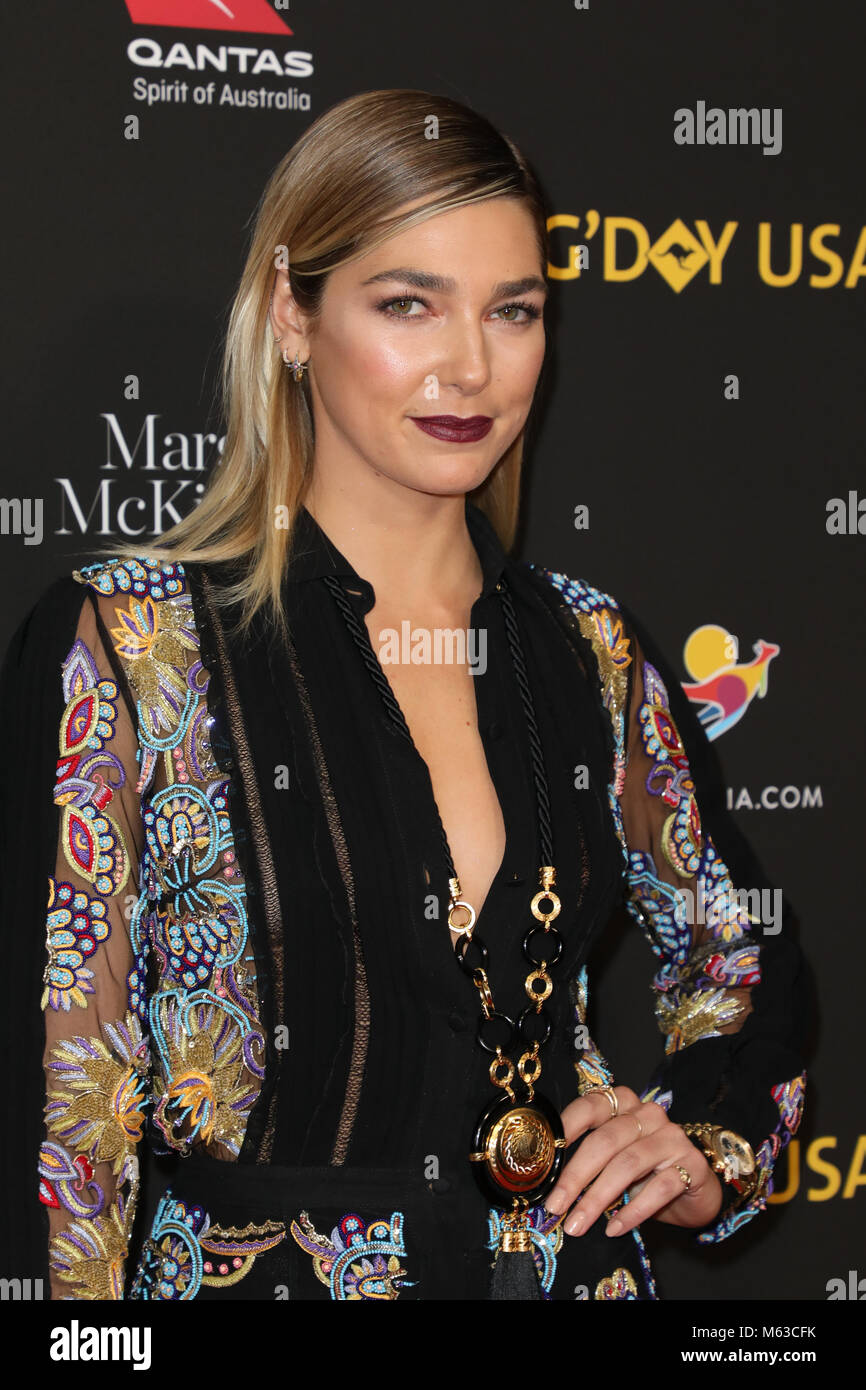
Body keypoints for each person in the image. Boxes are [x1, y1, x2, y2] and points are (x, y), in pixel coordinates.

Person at [0, 88, 809, 1302]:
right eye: (407, 304)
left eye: (513, 310)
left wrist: (706, 1142)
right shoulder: (132, 645)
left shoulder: (589, 650)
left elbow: (738, 947)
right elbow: (64, 1125)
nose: (469, 365)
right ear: (290, 311)